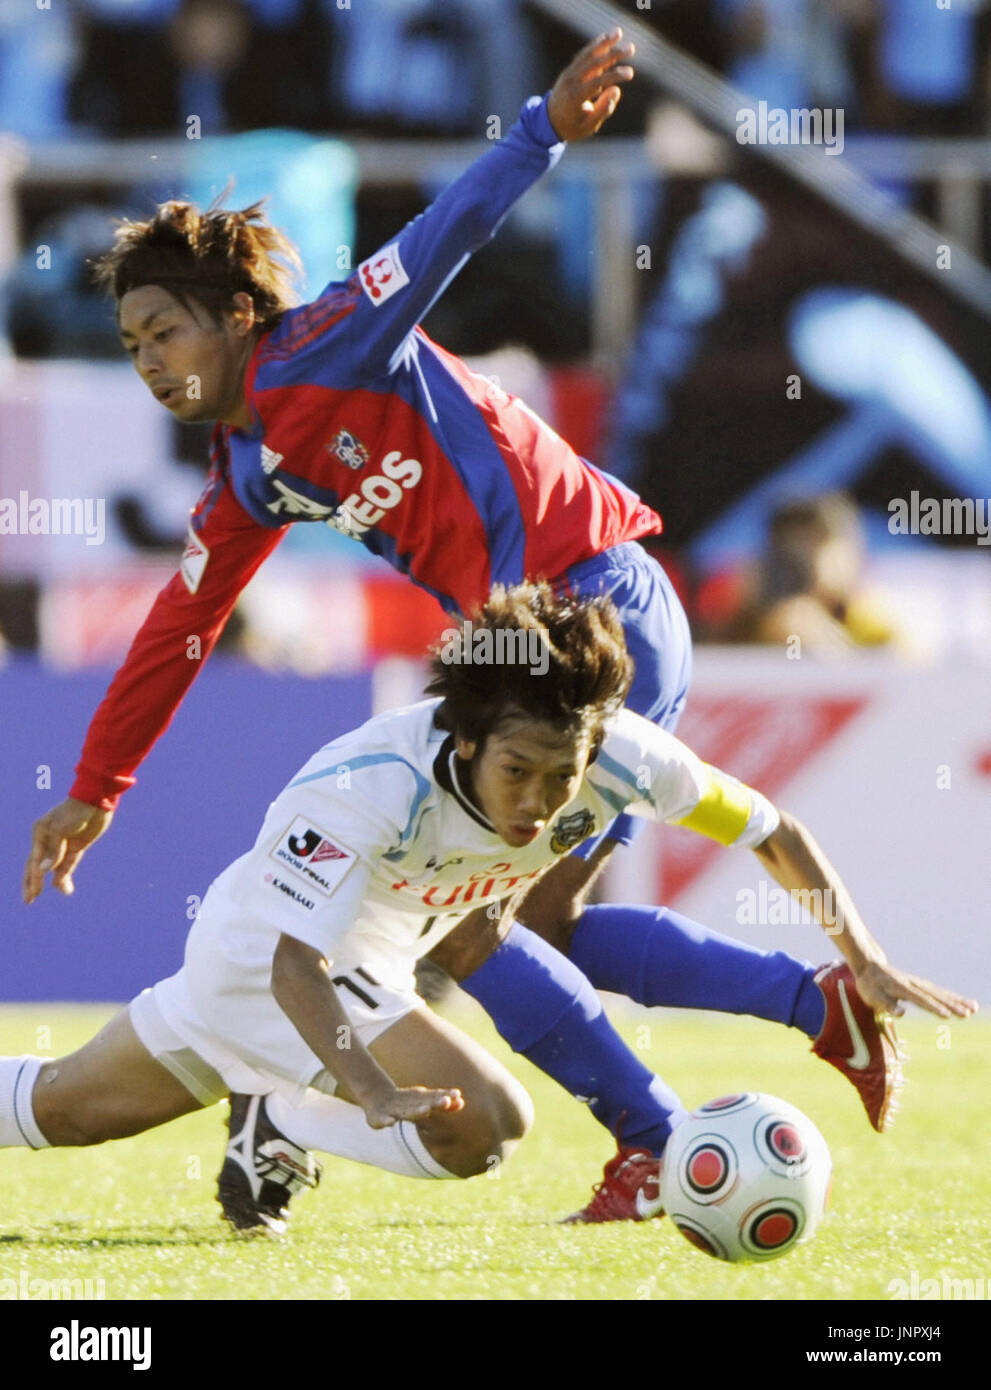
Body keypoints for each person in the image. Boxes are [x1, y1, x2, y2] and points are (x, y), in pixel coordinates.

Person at [20, 29, 971, 1222]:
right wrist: (99, 785)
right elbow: (181, 624)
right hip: (554, 636)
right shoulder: (252, 474)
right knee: (532, 921)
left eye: (165, 331)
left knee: (471, 933)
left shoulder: (329, 340)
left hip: (585, 611)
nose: (150, 361)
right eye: (131, 346)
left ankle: (655, 1135)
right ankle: (793, 1015)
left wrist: (542, 129)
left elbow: (438, 240)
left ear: (234, 314)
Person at [6, 587, 976, 1236]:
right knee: (487, 1126)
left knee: (64, 1108)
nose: (541, 802)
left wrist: (863, 955)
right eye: (518, 770)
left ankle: (277, 1116)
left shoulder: (628, 755)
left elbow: (770, 828)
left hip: (373, 966)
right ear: (464, 739)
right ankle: (284, 1119)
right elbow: (292, 964)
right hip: (261, 961)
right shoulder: (366, 784)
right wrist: (369, 1089)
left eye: (565, 774)